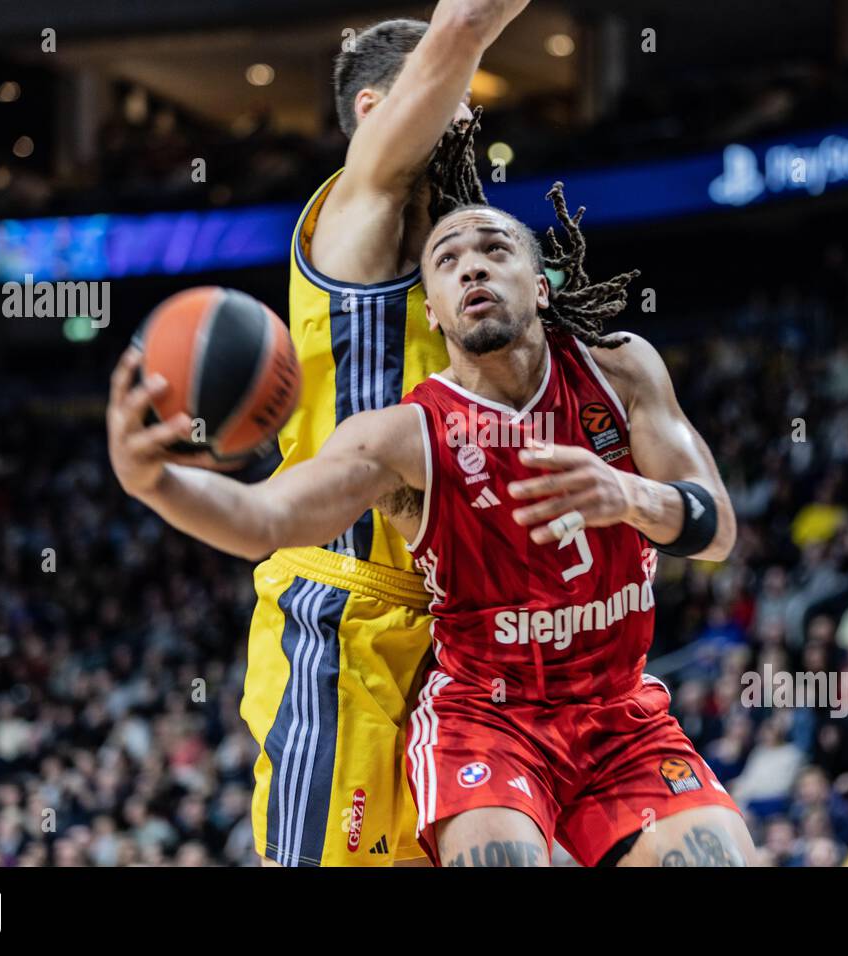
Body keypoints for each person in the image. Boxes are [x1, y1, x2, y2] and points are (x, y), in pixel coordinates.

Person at [106, 189, 755, 866]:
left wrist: (628, 493)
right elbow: (266, 517)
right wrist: (156, 483)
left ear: (540, 288)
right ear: (433, 312)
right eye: (448, 261)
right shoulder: (405, 436)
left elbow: (719, 531)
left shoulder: (619, 369)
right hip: (489, 723)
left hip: (619, 715)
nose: (472, 268)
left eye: (494, 250)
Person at [235, 3, 528, 866]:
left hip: (462, 632)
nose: (469, 125)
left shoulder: (464, 277)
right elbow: (466, 20)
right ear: (376, 113)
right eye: (453, 103)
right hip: (344, 620)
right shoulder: (359, 210)